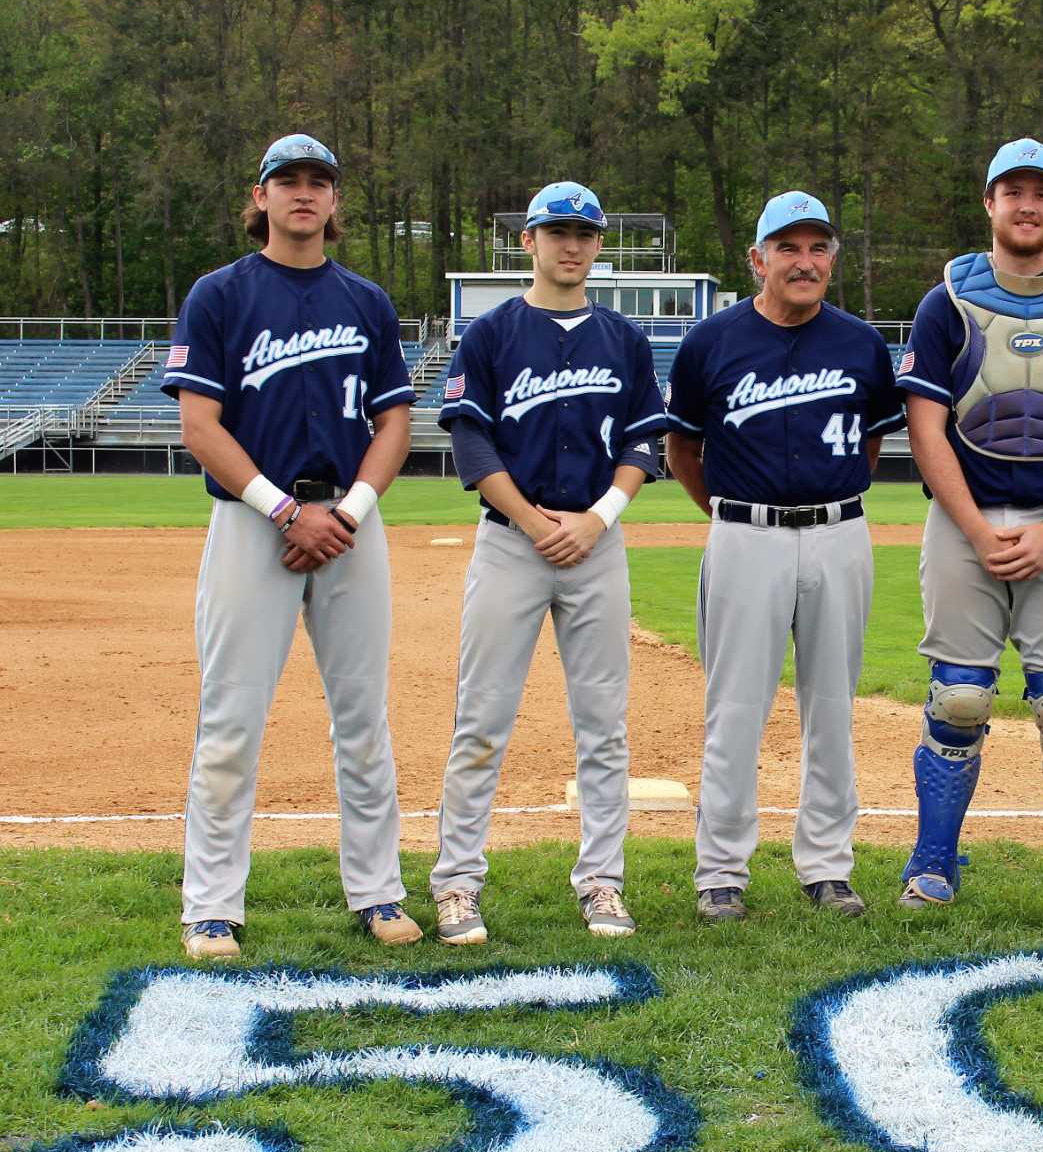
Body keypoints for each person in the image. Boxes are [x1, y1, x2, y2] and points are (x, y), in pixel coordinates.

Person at [168, 133, 419, 960]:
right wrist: (284, 511)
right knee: (231, 716)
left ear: (335, 202)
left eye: (320, 182)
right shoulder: (219, 295)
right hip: (253, 519)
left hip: (350, 520)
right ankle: (211, 905)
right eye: (289, 181)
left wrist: (348, 510)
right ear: (262, 196)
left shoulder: (367, 301)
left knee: (363, 719)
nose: (304, 193)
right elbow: (198, 426)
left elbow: (395, 423)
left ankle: (378, 892)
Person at [893, 138, 1043, 911]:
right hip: (963, 523)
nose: (1027, 205)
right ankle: (933, 863)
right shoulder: (948, 302)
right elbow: (925, 427)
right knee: (959, 697)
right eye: (1012, 191)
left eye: (1042, 192)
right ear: (989, 203)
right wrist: (972, 524)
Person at [429, 181, 668, 945]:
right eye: (556, 231)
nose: (571, 244)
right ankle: (457, 884)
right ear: (527, 241)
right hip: (511, 541)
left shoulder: (624, 339)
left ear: (599, 245)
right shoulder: (492, 333)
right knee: (482, 720)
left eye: (584, 233)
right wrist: (536, 522)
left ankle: (603, 881)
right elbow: (470, 441)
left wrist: (598, 519)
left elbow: (642, 443)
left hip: (596, 544)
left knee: (604, 727)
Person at [665, 192, 903, 922]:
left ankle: (828, 865)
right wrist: (736, 513)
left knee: (831, 708)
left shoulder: (860, 342)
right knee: (734, 709)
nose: (805, 261)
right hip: (745, 534)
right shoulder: (712, 341)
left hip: (839, 530)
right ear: (757, 258)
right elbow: (682, 450)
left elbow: (869, 443)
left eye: (818, 247)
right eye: (788, 247)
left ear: (832, 257)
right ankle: (720, 872)